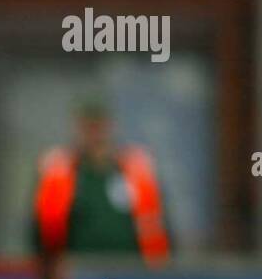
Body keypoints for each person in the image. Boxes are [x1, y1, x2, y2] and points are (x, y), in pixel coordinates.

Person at [31, 99, 171, 265]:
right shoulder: (60, 172)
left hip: (133, 274)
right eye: (88, 127)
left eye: (99, 126)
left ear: (111, 127)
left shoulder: (137, 171)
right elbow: (39, 232)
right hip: (80, 274)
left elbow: (161, 227)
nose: (95, 134)